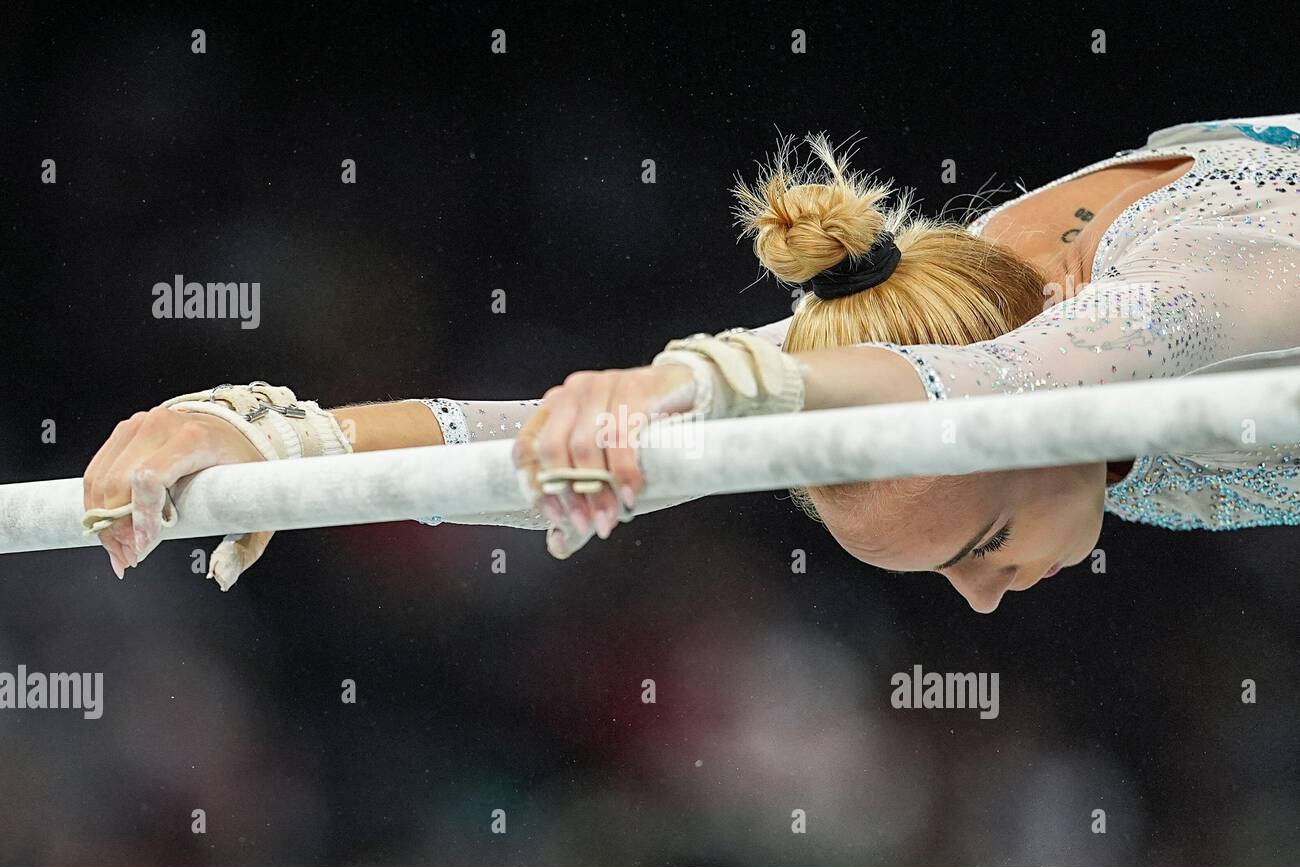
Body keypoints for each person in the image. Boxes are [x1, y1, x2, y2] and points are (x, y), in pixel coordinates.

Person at [81, 115, 1300, 613]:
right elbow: (532, 449)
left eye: (976, 545)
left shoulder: (1200, 279)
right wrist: (272, 441)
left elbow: (1008, 389)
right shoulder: (903, 321)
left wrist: (697, 381)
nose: (981, 599)